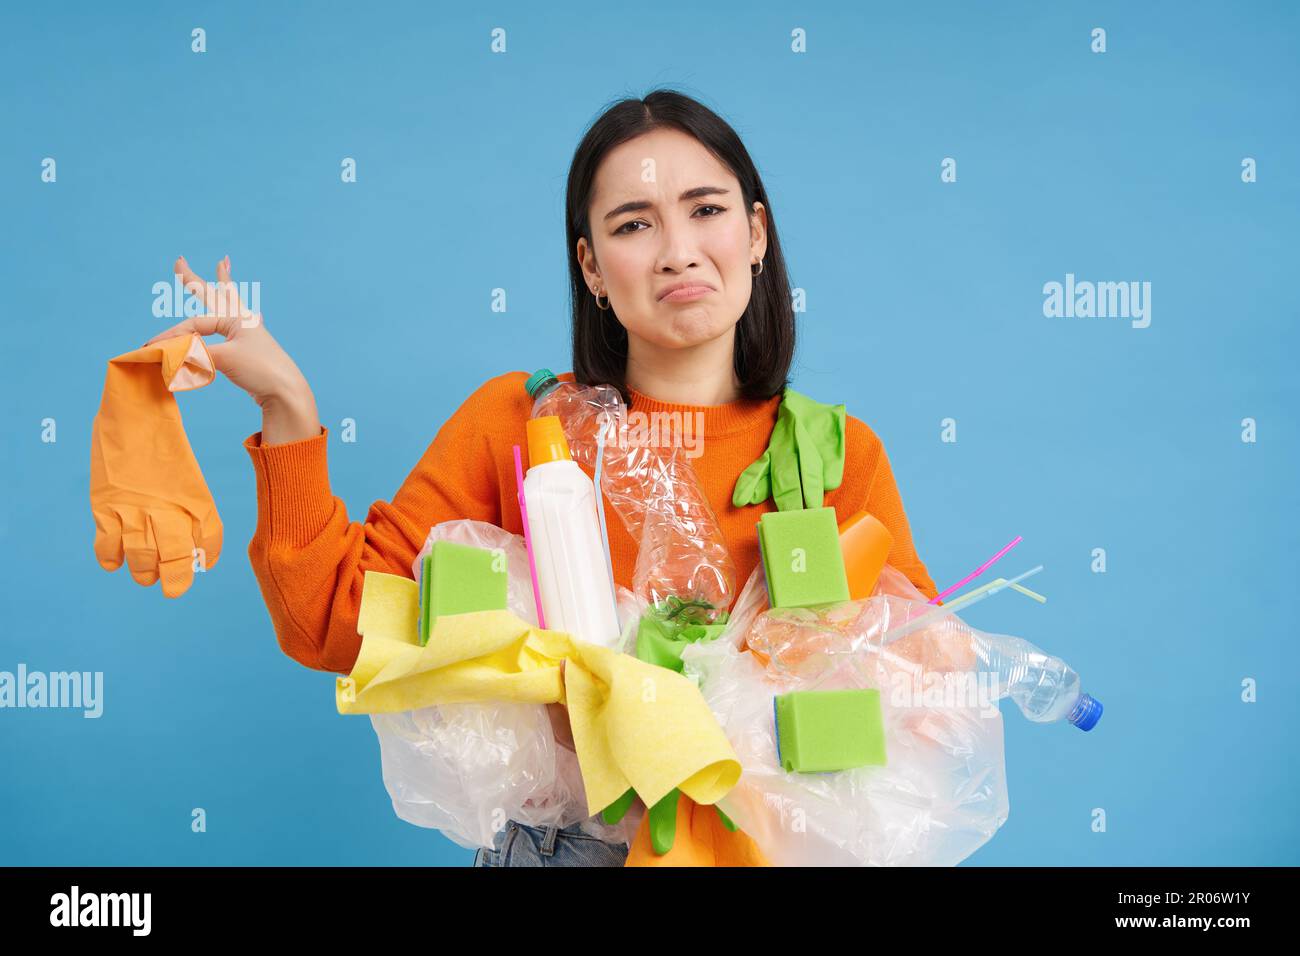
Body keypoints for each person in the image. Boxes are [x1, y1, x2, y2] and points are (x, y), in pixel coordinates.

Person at [143, 88, 939, 867]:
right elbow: (331, 622)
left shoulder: (832, 457)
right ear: (591, 265)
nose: (677, 250)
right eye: (635, 224)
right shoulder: (523, 429)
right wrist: (287, 403)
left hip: (772, 847)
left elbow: (923, 692)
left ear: (756, 233)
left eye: (706, 210)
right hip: (570, 848)